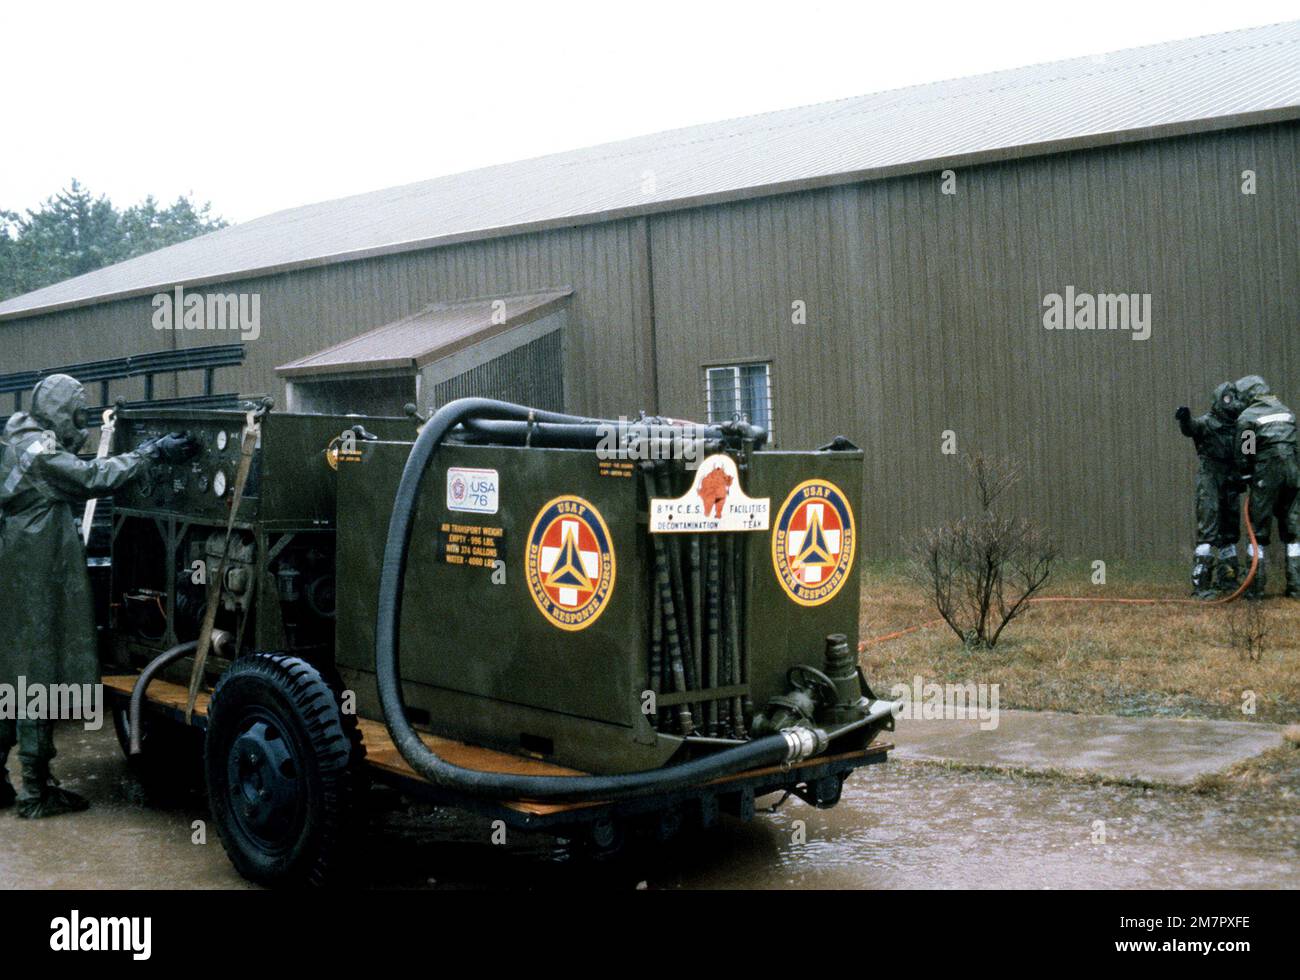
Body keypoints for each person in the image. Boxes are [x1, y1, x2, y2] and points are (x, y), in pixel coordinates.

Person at [0, 374, 197, 817]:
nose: (82, 421)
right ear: (62, 412)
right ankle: (36, 792)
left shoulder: (17, 438)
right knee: (37, 675)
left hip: (16, 564)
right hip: (37, 571)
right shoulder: (41, 454)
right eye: (78, 413)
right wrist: (151, 452)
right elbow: (93, 476)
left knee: (12, 674)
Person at [1233, 375, 1299, 600]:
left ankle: (1255, 587)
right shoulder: (1286, 411)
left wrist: (1245, 475)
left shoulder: (1249, 417)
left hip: (1266, 474)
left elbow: (1247, 451)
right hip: (1293, 474)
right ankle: (1297, 586)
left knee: (1257, 529)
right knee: (1293, 529)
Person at [1176, 382, 1244, 598]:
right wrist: (1184, 419)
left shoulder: (1242, 426)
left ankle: (1229, 578)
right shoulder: (1207, 423)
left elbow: (1248, 451)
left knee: (1230, 528)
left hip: (1231, 479)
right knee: (1209, 524)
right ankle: (1202, 583)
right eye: (1227, 398)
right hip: (1210, 478)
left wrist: (1246, 472)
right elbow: (1191, 429)